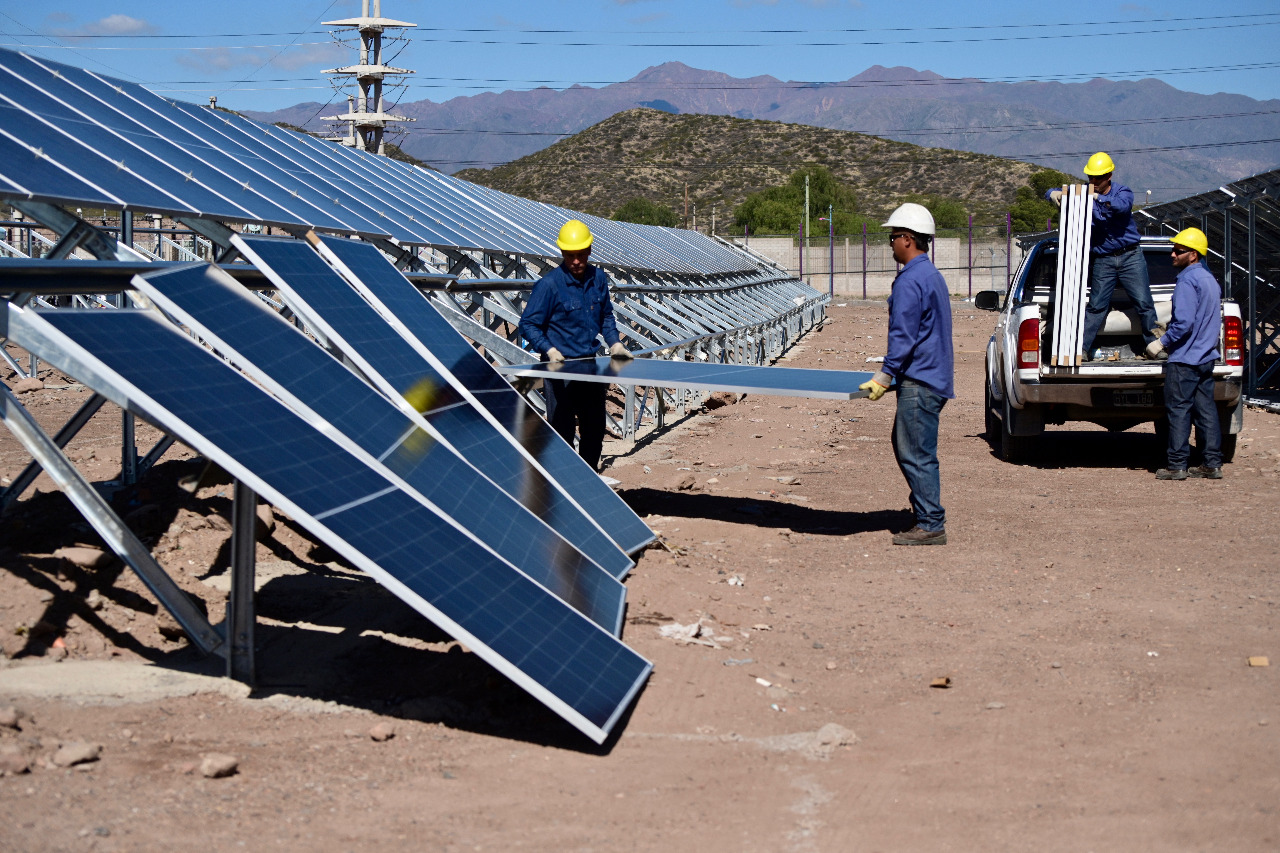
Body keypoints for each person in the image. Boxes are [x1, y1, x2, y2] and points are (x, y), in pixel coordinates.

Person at [859, 203, 955, 545]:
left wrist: (885, 376)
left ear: (908, 239)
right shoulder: (931, 275)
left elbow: (903, 334)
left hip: (921, 380)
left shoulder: (910, 281)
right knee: (910, 447)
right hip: (934, 377)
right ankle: (925, 513)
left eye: (893, 236)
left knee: (915, 452)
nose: (890, 244)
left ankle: (930, 523)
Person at [518, 219, 632, 471]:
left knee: (593, 428)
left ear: (589, 251)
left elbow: (605, 315)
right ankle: (567, 484)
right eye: (570, 256)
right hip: (560, 370)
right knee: (562, 430)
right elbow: (528, 324)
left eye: (580, 255)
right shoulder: (549, 286)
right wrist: (549, 349)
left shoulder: (598, 279)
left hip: (589, 367)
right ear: (562, 253)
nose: (576, 261)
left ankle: (589, 477)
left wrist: (614, 343)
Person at [1047, 151, 1160, 360]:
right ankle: (1082, 348)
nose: (1093, 181)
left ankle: (1154, 344)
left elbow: (1122, 206)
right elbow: (1055, 191)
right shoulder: (1085, 193)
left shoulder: (1122, 192)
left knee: (1144, 303)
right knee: (1097, 306)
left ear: (1109, 176)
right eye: (1090, 177)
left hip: (1130, 257)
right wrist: (1053, 194)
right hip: (1103, 259)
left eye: (1097, 178)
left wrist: (1098, 198)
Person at [1152, 227, 1223, 481]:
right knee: (1206, 411)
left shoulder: (1186, 280)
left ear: (1193, 255)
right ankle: (1212, 464)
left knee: (1179, 410)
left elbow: (1183, 323)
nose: (1172, 254)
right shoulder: (1209, 280)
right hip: (1205, 357)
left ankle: (1176, 465)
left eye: (1178, 251)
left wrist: (1161, 343)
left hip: (1185, 359)